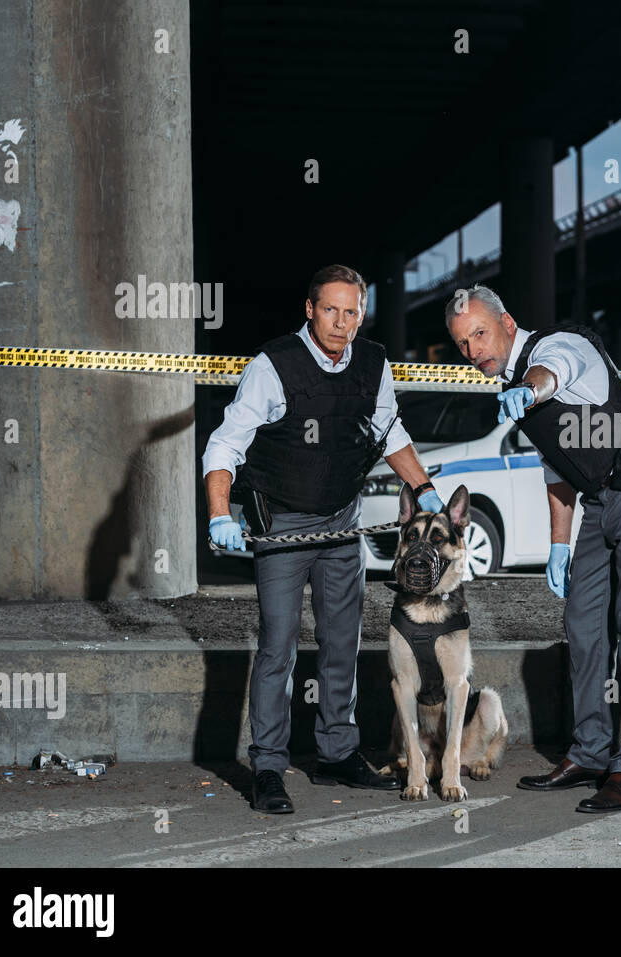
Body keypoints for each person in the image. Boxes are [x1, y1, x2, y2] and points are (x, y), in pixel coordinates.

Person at [202, 264, 444, 814]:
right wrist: (221, 513)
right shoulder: (274, 365)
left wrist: (423, 487)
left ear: (362, 313)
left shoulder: (372, 363)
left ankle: (338, 753)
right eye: (330, 309)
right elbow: (224, 446)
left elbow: (388, 431)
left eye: (351, 311)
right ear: (309, 310)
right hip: (283, 526)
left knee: (343, 643)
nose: (340, 322)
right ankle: (268, 765)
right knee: (278, 647)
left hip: (342, 521)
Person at [444, 284, 621, 813]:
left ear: (506, 323)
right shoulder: (514, 388)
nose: (473, 350)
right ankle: (593, 753)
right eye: (462, 344)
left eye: (479, 333)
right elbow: (560, 470)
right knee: (583, 622)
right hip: (598, 500)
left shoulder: (560, 347)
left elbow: (549, 376)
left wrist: (528, 393)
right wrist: (559, 547)